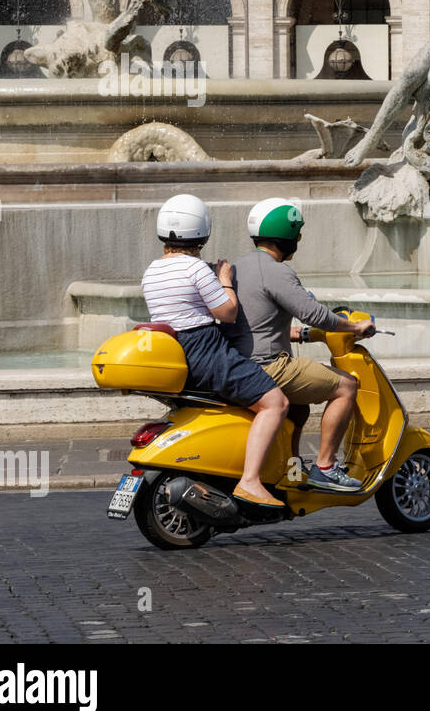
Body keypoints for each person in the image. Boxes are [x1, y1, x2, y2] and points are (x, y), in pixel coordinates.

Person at [140, 194, 289, 508]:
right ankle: (250, 481)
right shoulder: (196, 270)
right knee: (276, 402)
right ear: (202, 231)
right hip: (206, 351)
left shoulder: (151, 271)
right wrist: (224, 280)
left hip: (177, 351)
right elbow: (228, 312)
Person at [223, 198, 376, 493]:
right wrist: (356, 327)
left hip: (242, 364)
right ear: (288, 235)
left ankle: (291, 474)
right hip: (269, 366)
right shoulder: (277, 270)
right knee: (346, 386)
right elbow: (315, 314)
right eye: (298, 235)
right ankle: (326, 467)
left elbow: (257, 319)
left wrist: (296, 334)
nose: (300, 241)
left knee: (299, 410)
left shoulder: (241, 267)